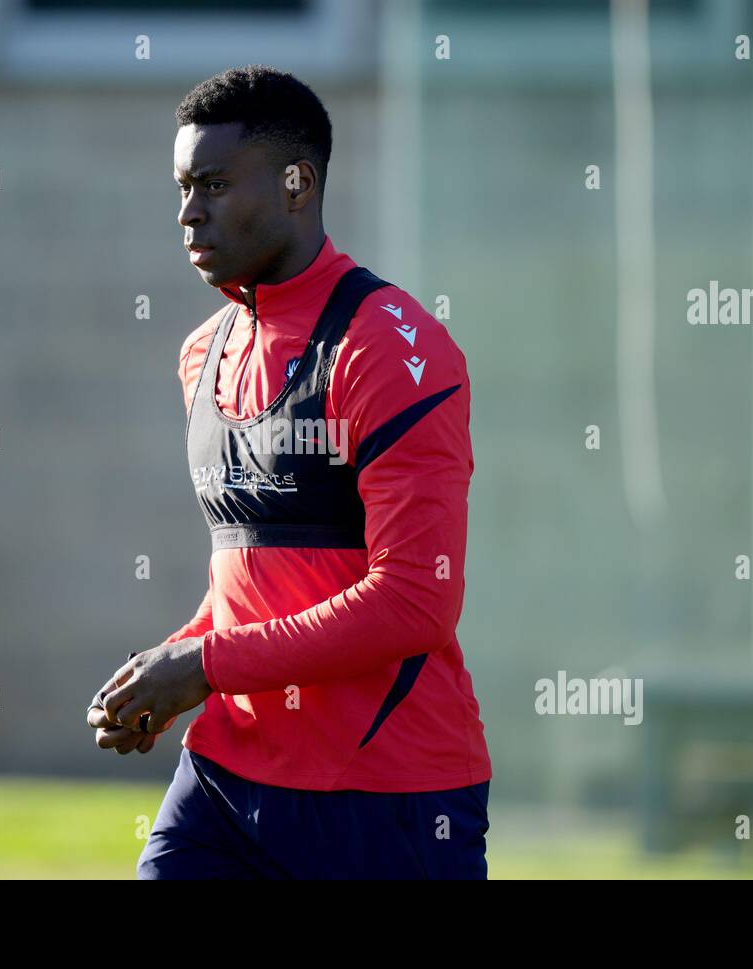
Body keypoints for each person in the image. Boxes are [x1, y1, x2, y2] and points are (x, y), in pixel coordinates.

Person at [86, 64, 492, 879]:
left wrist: (203, 666)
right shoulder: (201, 352)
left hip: (387, 795)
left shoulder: (391, 349)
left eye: (213, 184)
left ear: (298, 184)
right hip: (226, 779)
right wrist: (168, 666)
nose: (187, 211)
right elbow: (258, 575)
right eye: (181, 186)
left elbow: (416, 598)